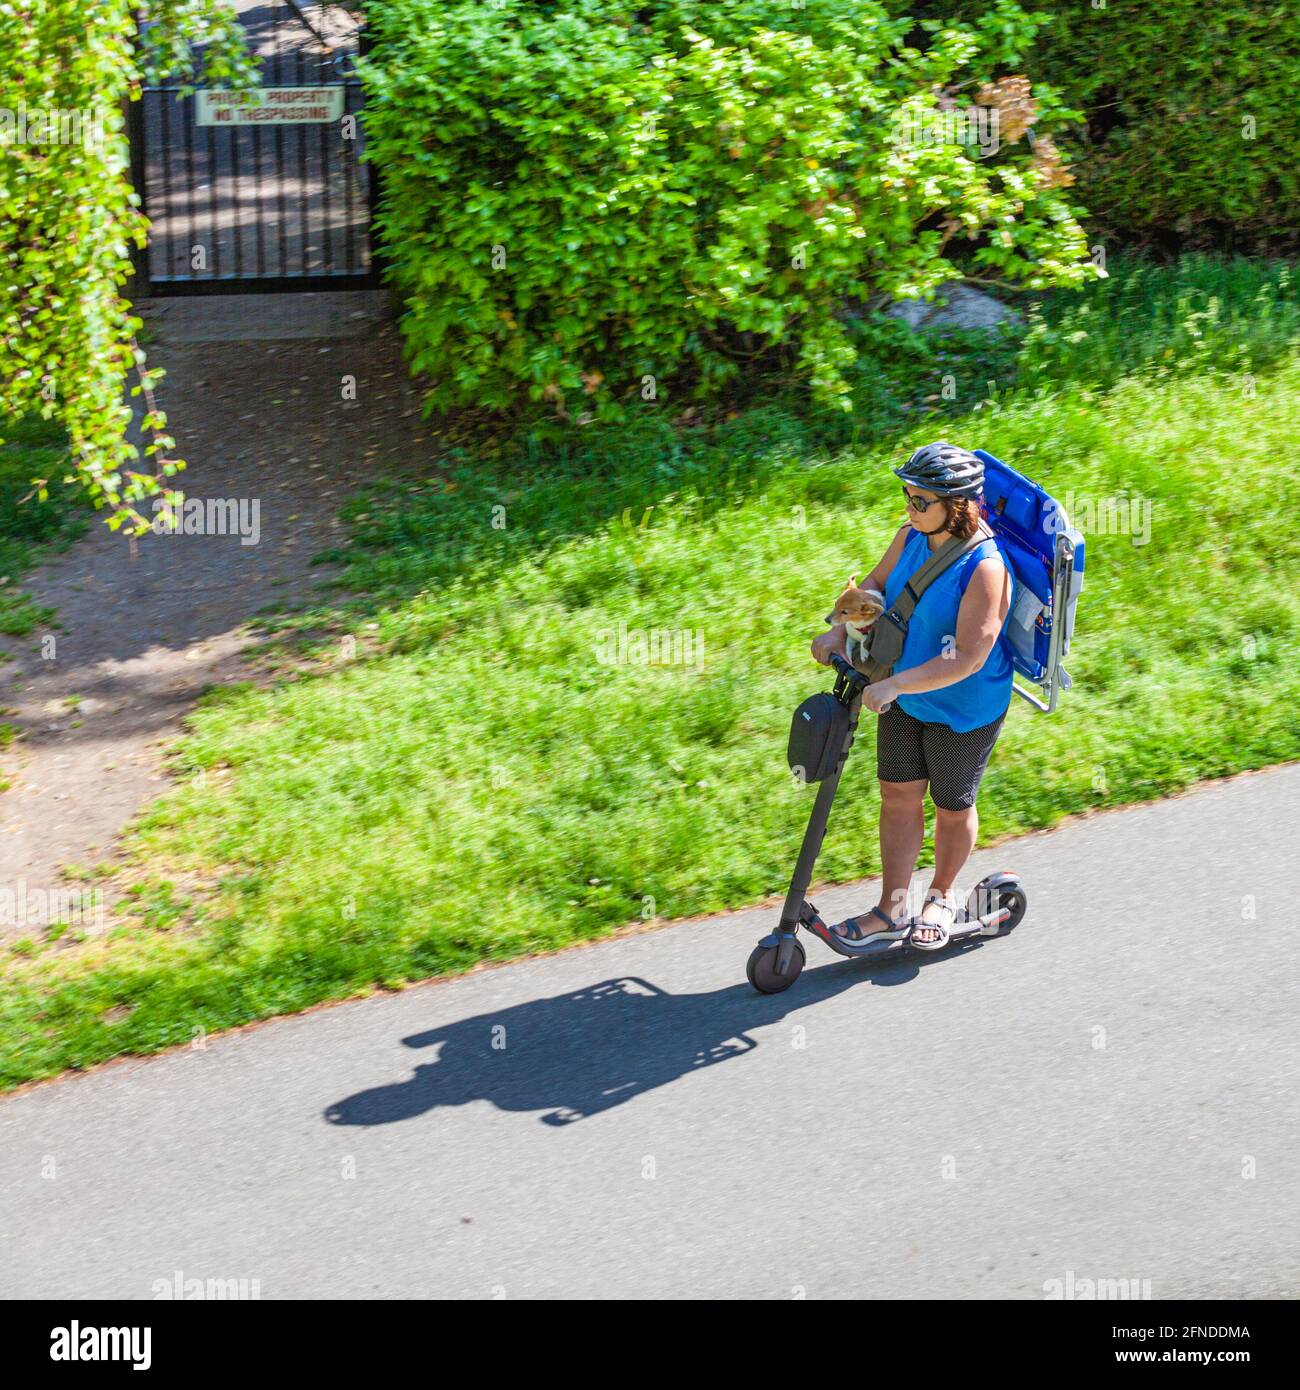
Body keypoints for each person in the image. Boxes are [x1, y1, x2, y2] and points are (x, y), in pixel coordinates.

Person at [811, 442, 1015, 949]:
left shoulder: (985, 568)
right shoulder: (910, 537)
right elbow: (876, 585)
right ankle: (893, 907)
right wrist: (838, 626)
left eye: (921, 500)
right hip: (902, 694)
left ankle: (942, 897)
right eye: (907, 496)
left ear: (959, 505)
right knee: (898, 795)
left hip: (960, 707)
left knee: (950, 805)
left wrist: (895, 683)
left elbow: (968, 656)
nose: (910, 508)